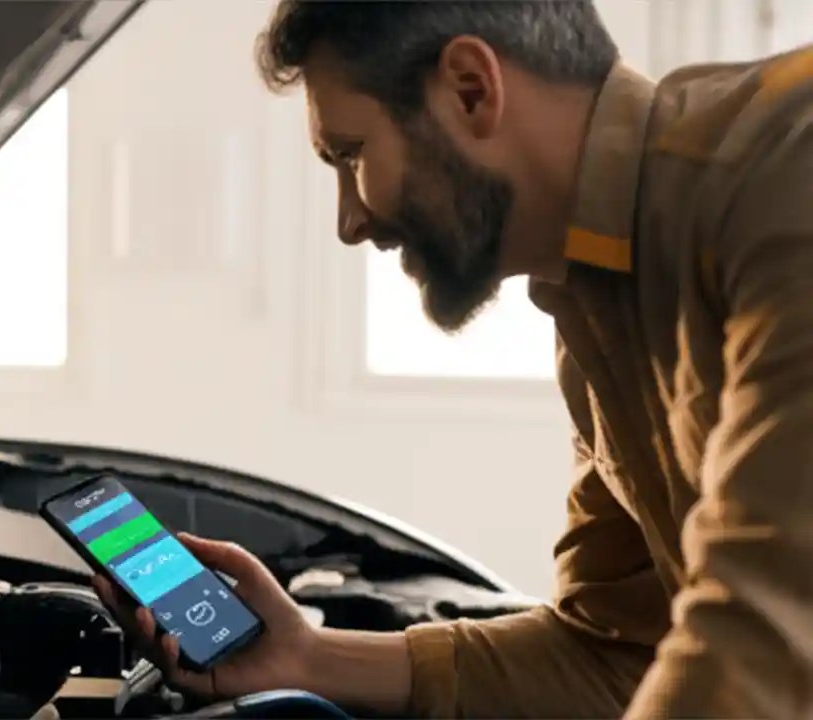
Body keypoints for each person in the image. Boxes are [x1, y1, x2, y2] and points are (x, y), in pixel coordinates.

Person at [93, 1, 813, 717]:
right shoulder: (593, 313)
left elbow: (762, 646)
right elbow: (619, 653)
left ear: (471, 88)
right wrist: (309, 657)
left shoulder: (784, 169)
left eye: (352, 155)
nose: (351, 220)